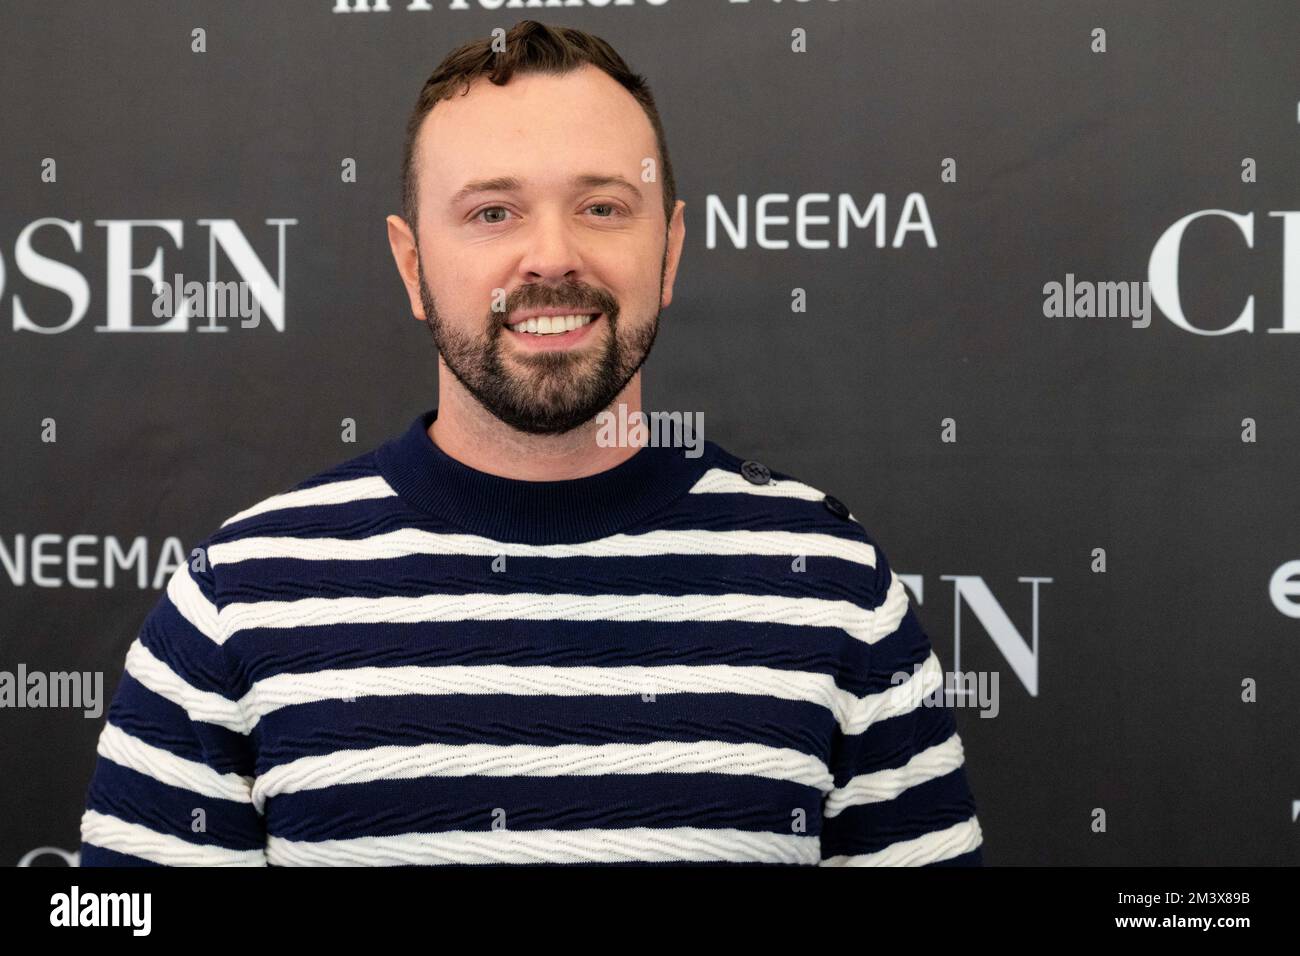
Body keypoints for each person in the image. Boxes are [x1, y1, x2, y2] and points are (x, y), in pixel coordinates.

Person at [78, 19, 983, 866]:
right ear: (412, 266)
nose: (550, 257)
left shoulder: (830, 589)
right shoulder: (234, 606)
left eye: (600, 207)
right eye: (492, 213)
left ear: (668, 253)